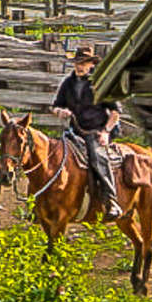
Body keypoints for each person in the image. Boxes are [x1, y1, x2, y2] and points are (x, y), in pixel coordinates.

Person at [51, 42, 123, 219]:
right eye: (77, 63)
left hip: (95, 131)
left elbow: (115, 112)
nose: (79, 66)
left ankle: (111, 202)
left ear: (91, 65)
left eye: (83, 63)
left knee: (98, 158)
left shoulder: (99, 83)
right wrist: (60, 111)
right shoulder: (68, 83)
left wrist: (106, 132)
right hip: (74, 132)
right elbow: (55, 106)